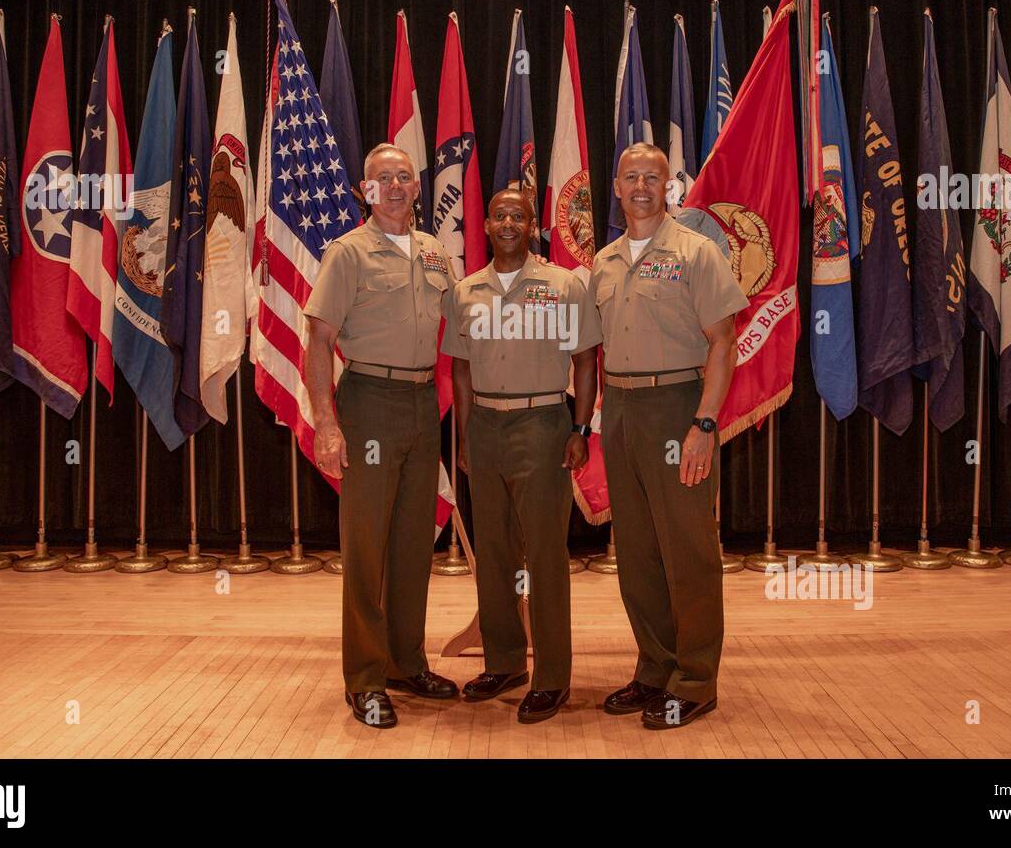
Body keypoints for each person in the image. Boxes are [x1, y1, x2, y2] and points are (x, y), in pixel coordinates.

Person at [589, 143, 747, 730]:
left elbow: (723, 341)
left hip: (678, 405)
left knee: (688, 550)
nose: (640, 187)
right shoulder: (604, 261)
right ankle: (654, 667)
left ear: (668, 187)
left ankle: (696, 679)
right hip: (622, 410)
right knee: (636, 552)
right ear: (617, 186)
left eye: (652, 178)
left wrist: (704, 423)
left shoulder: (697, 252)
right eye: (630, 176)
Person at [305, 144, 459, 729]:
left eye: (404, 177)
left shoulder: (434, 252)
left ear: (418, 188)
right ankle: (366, 679)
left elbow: (467, 321)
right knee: (367, 547)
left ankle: (406, 661)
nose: (395, 186)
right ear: (365, 191)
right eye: (382, 178)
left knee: (415, 541)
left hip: (423, 403)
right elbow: (318, 341)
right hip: (369, 400)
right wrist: (326, 420)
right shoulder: (347, 254)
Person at [442, 188, 599, 723]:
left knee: (545, 555)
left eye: (520, 216)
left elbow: (584, 360)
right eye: (500, 215)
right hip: (484, 425)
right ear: (486, 224)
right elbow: (460, 370)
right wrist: (464, 436)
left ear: (534, 226)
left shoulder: (564, 285)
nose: (509, 222)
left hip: (543, 422)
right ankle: (504, 660)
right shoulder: (465, 291)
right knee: (495, 551)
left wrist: (580, 426)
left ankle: (552, 675)